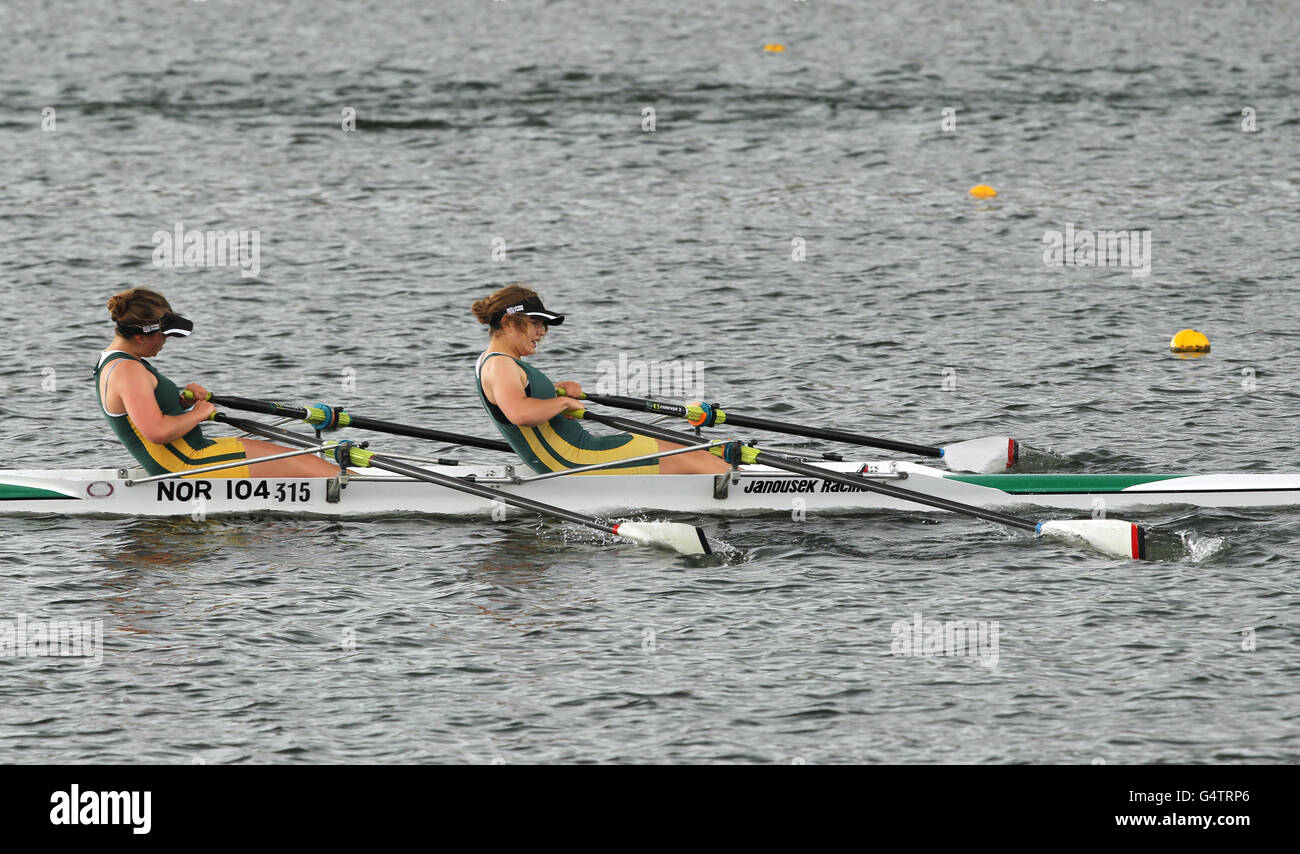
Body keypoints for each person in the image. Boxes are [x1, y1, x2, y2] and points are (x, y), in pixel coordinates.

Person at [471, 284, 731, 475]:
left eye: (544, 325)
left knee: (685, 447)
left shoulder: (495, 361)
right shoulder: (500, 365)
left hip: (576, 452)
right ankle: (748, 487)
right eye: (536, 323)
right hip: (572, 460)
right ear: (507, 323)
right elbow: (520, 414)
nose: (542, 332)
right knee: (689, 455)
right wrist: (562, 404)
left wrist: (554, 391)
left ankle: (736, 476)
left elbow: (521, 400)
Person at [95, 288, 342, 478]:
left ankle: (353, 481)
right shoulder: (128, 370)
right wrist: (199, 414)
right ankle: (361, 488)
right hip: (185, 464)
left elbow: (145, 411)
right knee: (309, 465)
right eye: (165, 335)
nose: (166, 342)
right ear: (140, 336)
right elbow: (157, 432)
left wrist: (181, 403)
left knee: (307, 462)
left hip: (191, 453)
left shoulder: (117, 362)